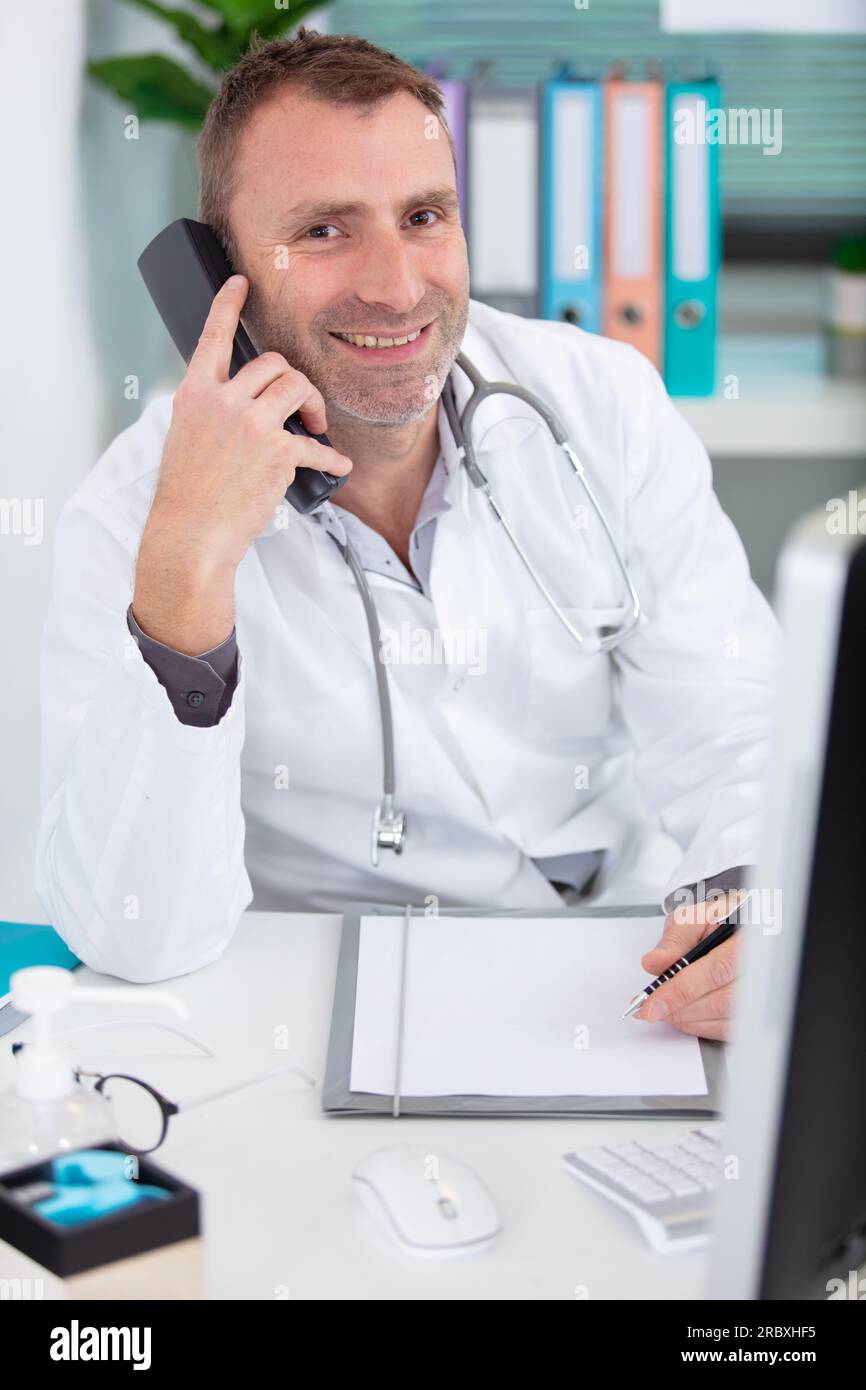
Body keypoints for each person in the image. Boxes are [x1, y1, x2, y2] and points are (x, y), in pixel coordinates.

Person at [36, 30, 781, 1039]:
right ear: (219, 277)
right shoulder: (131, 517)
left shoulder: (598, 402)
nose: (395, 284)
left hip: (625, 966)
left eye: (423, 216)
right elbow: (134, 935)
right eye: (327, 230)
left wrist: (751, 900)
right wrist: (189, 564)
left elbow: (734, 724)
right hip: (319, 998)